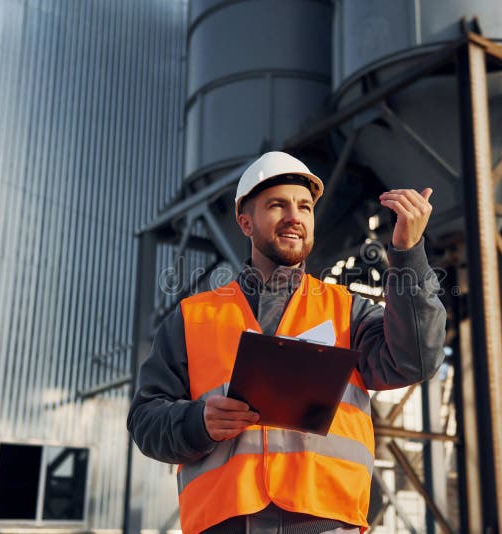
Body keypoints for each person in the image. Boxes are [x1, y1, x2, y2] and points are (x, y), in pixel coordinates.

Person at [127, 151, 447, 534]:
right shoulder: (192, 317)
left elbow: (415, 360)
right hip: (226, 521)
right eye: (277, 205)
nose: (295, 217)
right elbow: (145, 420)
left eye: (305, 207)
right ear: (245, 223)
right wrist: (199, 421)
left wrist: (409, 254)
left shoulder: (349, 312)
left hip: (325, 520)